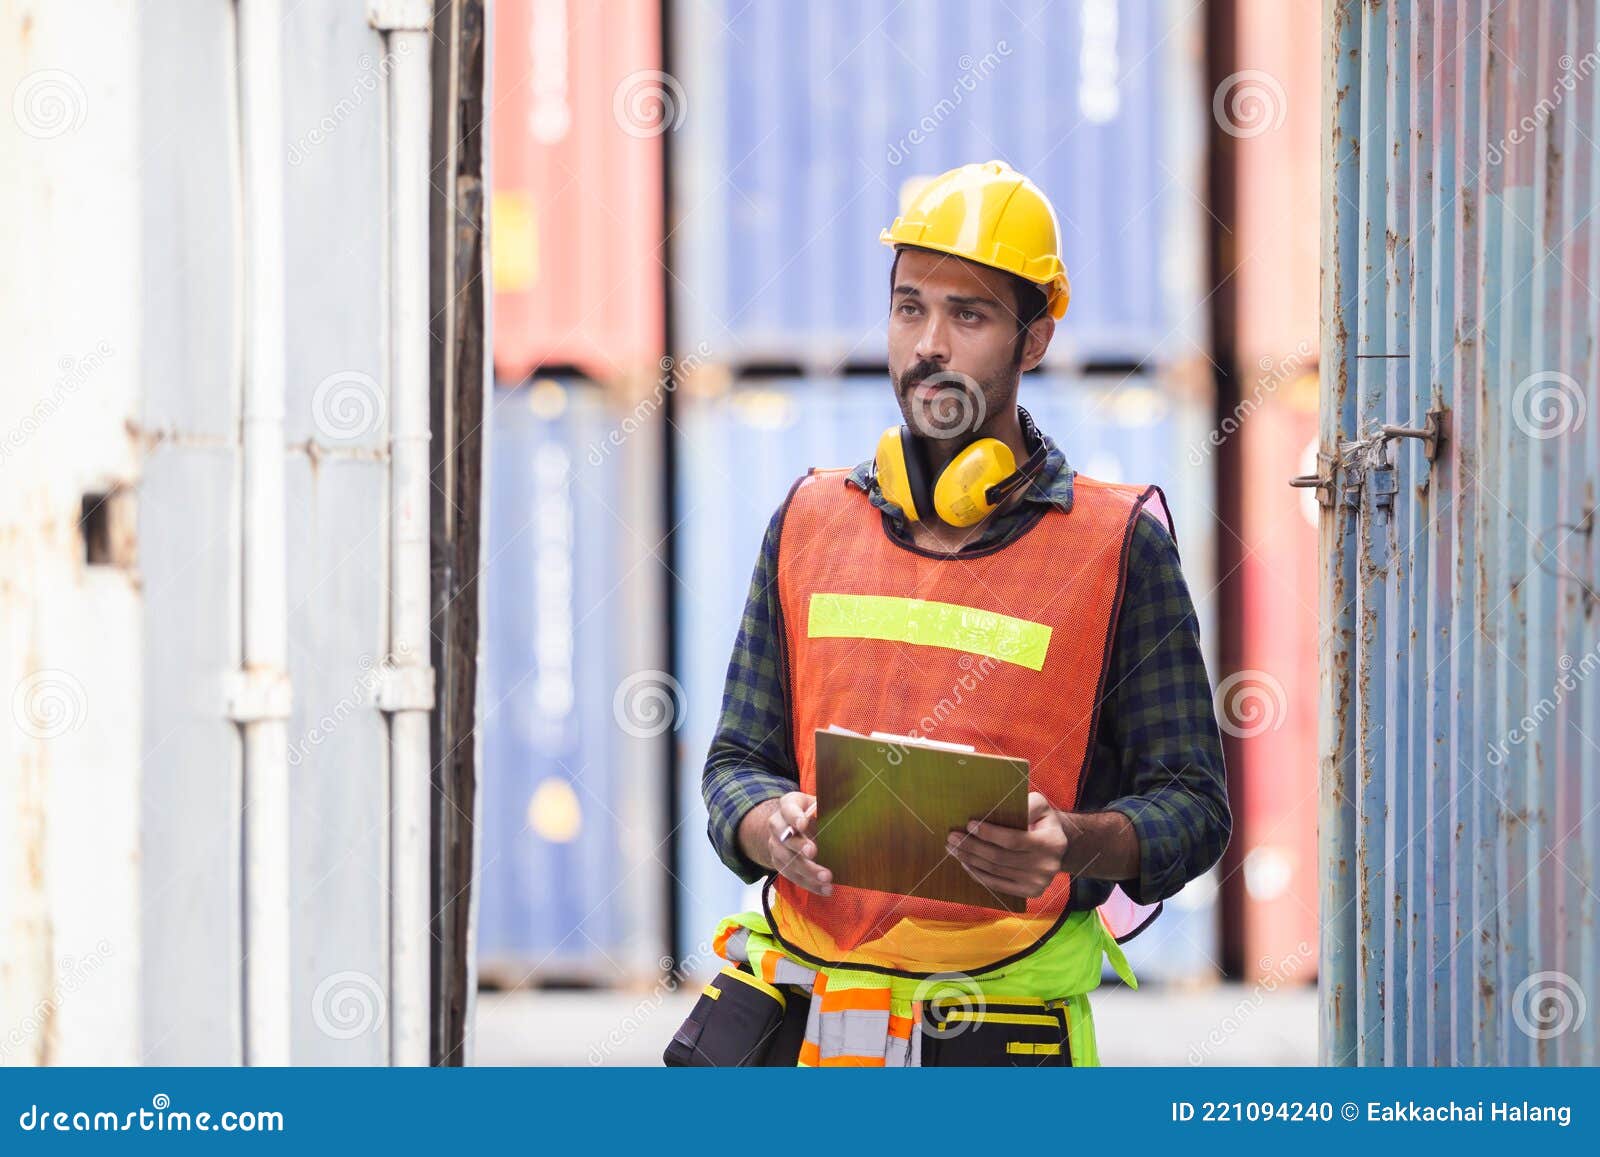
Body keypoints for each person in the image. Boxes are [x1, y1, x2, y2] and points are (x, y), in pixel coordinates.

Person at [682, 160, 1231, 1068]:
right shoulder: (809, 520)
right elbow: (736, 760)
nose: (929, 343)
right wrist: (765, 823)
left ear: (1036, 337)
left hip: (994, 1045)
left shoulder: (1116, 546)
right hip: (801, 1032)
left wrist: (1072, 845)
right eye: (909, 307)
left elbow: (1196, 805)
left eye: (967, 315)